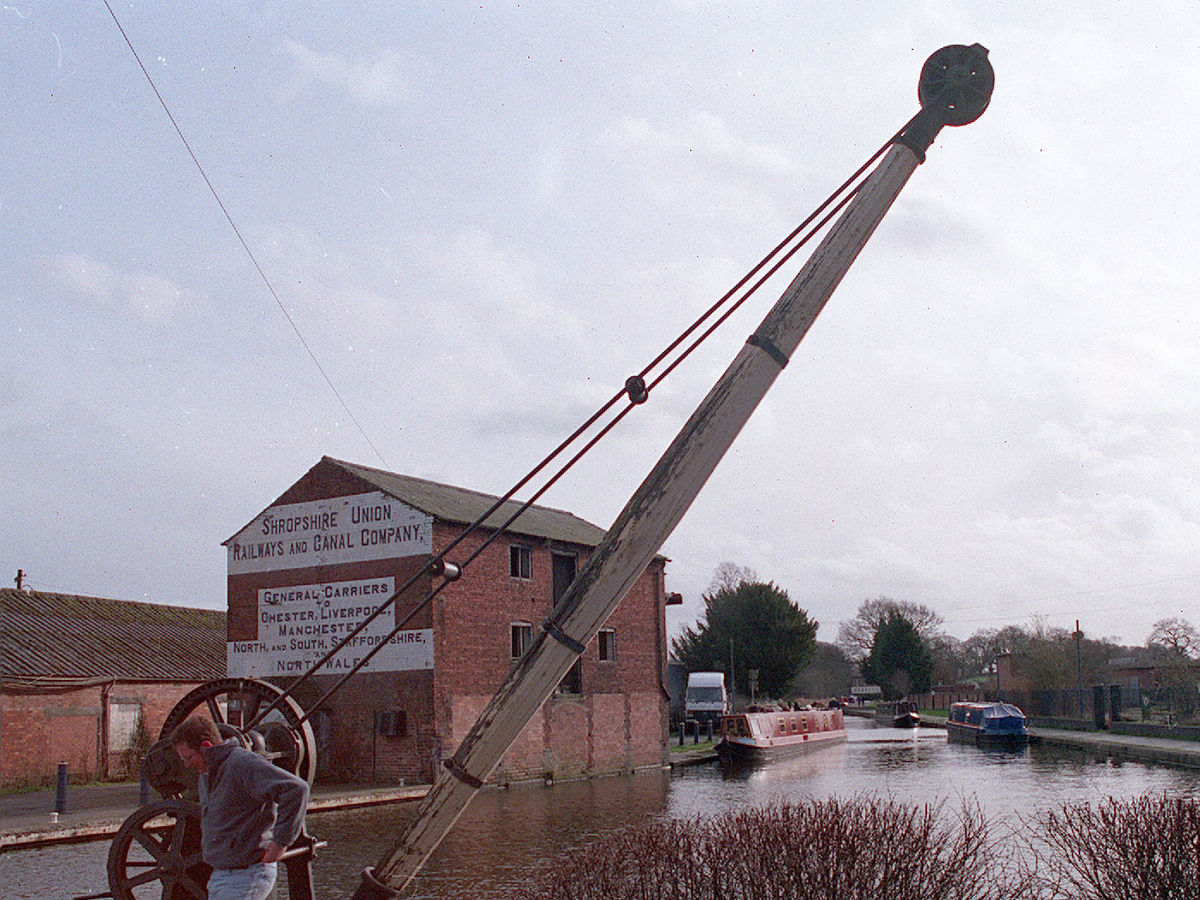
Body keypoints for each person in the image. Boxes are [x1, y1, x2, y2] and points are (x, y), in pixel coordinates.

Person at [171, 715, 310, 900]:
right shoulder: (207, 775)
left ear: (206, 747)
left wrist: (280, 842)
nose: (187, 765)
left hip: (246, 875)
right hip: (221, 875)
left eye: (189, 757)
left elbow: (295, 789)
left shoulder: (242, 764)